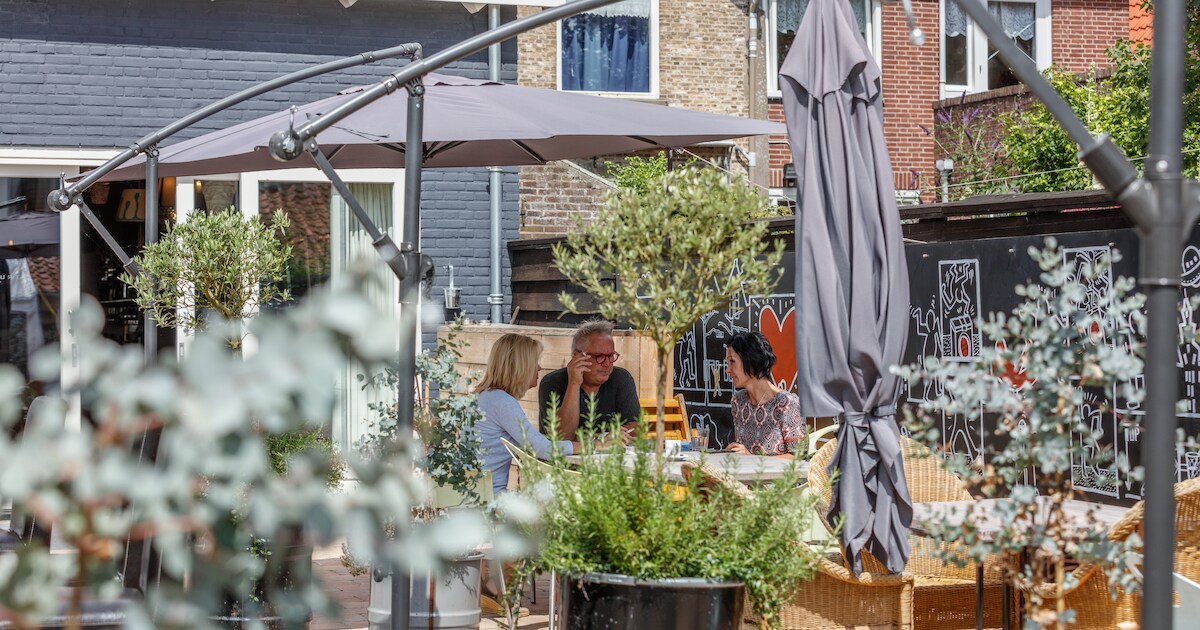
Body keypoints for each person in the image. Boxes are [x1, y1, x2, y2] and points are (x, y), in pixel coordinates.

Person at [476, 333, 580, 496]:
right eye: (535, 362)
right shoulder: (501, 402)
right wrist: (595, 445)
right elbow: (543, 449)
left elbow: (535, 444)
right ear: (520, 366)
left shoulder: (487, 396)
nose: (539, 368)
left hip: (474, 495)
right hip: (488, 500)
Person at [538, 319, 641, 440]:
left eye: (611, 356)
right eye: (599, 356)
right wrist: (574, 384)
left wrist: (611, 437)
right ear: (577, 356)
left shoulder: (621, 378)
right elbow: (561, 438)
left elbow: (636, 427)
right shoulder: (552, 383)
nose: (607, 363)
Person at [725, 331, 806, 458]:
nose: (727, 370)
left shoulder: (787, 404)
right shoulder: (738, 401)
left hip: (778, 472)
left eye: (732, 361)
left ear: (751, 360)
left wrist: (752, 458)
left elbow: (798, 457)